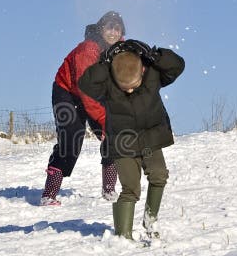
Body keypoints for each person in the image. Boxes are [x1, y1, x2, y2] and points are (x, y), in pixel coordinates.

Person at [78, 39, 185, 243]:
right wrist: (104, 62)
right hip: (122, 144)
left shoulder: (152, 73)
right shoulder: (108, 83)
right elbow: (85, 83)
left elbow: (177, 65)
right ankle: (123, 235)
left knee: (159, 175)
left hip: (150, 138)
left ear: (142, 71)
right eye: (123, 86)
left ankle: (150, 221)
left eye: (133, 85)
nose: (128, 90)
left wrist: (155, 55)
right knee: (131, 189)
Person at [40, 11, 125, 206]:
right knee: (71, 137)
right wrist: (103, 121)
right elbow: (86, 91)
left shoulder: (121, 51)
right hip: (67, 92)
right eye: (109, 27)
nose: (112, 32)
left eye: (117, 28)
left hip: (93, 95)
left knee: (113, 134)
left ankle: (109, 190)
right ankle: (49, 193)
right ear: (101, 28)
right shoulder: (88, 49)